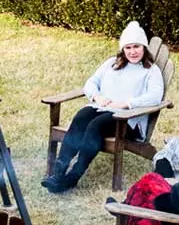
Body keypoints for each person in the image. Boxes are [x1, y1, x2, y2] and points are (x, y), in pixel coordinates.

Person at [42, 21, 166, 194]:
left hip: (128, 121)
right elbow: (91, 83)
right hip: (104, 109)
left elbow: (154, 96)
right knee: (81, 116)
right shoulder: (111, 64)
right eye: (128, 47)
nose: (132, 52)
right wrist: (96, 96)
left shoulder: (150, 71)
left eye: (136, 46)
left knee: (96, 126)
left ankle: (73, 177)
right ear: (123, 49)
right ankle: (58, 173)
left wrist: (127, 103)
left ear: (144, 47)